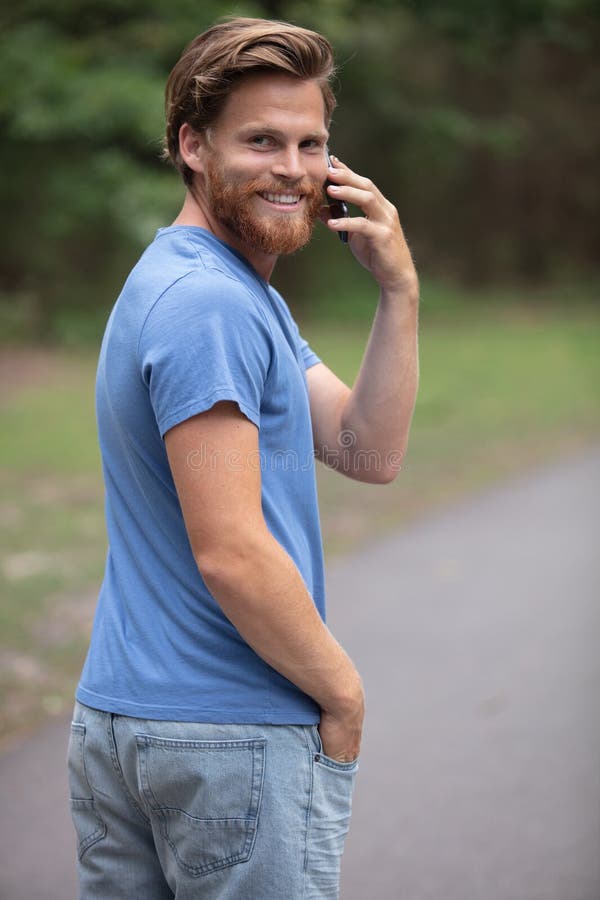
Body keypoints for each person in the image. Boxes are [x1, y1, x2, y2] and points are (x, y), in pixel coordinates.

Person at [67, 16, 419, 900]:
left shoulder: (222, 288)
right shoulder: (209, 304)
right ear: (192, 144)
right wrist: (342, 694)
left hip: (131, 717)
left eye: (311, 143)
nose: (294, 169)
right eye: (261, 140)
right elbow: (229, 548)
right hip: (225, 733)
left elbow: (363, 447)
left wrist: (399, 291)